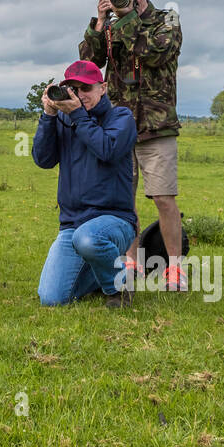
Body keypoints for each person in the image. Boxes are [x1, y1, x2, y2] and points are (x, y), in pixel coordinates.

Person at [78, 0, 186, 289]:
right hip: (119, 126)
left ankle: (176, 267)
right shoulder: (110, 26)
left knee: (163, 198)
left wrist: (127, 18)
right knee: (124, 198)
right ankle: (131, 263)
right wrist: (99, 24)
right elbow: (89, 63)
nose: (125, 2)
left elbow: (153, 53)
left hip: (156, 124)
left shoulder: (166, 20)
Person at [33, 61, 139, 309]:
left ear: (102, 88)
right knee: (52, 299)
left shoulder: (121, 117)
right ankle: (100, 274)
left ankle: (120, 287)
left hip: (114, 221)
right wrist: (49, 116)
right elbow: (43, 160)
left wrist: (78, 115)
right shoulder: (63, 119)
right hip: (72, 223)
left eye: (86, 88)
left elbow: (107, 150)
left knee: (89, 240)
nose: (80, 95)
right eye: (73, 89)